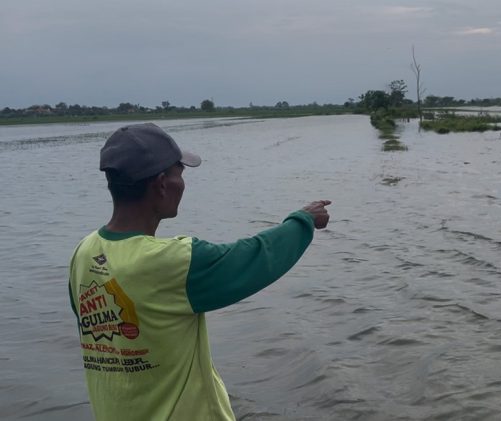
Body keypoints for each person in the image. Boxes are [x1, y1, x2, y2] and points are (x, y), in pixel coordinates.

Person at [68, 123, 330, 420]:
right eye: (179, 173)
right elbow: (255, 258)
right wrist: (304, 220)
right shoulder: (171, 262)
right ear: (162, 184)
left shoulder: (84, 253)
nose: (183, 183)